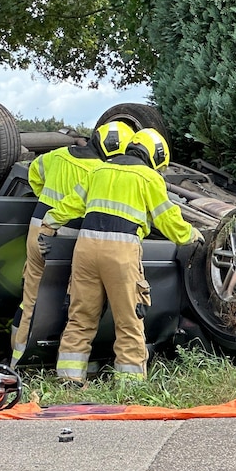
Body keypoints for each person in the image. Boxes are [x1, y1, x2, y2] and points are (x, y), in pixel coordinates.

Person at [40, 125, 202, 385]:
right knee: (128, 318)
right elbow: (167, 219)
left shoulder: (99, 170)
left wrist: (48, 224)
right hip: (121, 252)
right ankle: (130, 384)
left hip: (86, 249)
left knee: (81, 315)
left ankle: (70, 379)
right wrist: (191, 236)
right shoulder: (148, 178)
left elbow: (71, 204)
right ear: (155, 156)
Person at [8, 133, 101, 368]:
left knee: (30, 298)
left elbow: (34, 174)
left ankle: (17, 360)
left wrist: (44, 197)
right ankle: (64, 362)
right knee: (74, 299)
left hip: (38, 224)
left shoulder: (57, 155)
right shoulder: (100, 170)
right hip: (65, 233)